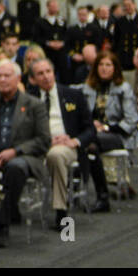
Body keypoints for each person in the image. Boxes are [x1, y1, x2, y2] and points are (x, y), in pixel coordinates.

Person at [0, 60, 49, 247]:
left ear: (18, 79)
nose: (2, 80)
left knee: (14, 167)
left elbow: (44, 140)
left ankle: (2, 226)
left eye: (7, 75)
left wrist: (15, 151)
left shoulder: (34, 105)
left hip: (25, 158)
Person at [29, 57, 95, 226]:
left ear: (54, 73)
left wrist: (75, 140)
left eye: (48, 72)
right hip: (38, 146)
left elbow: (90, 129)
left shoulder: (73, 95)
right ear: (33, 79)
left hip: (66, 146)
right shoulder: (28, 99)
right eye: (40, 74)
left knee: (56, 155)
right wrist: (45, 140)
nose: (45, 77)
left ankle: (61, 210)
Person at [81, 50, 138, 208]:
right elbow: (84, 113)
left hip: (117, 134)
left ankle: (91, 190)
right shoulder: (88, 87)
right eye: (101, 65)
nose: (104, 68)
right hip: (93, 134)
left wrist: (106, 127)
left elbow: (131, 120)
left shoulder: (123, 88)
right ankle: (101, 195)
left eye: (108, 65)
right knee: (89, 146)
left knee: (88, 142)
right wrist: (92, 124)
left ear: (115, 68)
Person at [34, 0, 69, 83]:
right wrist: (48, 43)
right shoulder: (40, 21)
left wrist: (62, 43)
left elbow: (67, 35)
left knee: (64, 74)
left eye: (56, 6)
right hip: (47, 52)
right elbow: (36, 38)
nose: (55, 8)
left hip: (61, 53)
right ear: (48, 7)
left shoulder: (62, 20)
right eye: (52, 6)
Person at [114, 0, 138, 70]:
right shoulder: (119, 22)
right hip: (124, 57)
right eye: (125, 6)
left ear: (134, 5)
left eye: (129, 5)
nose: (127, 7)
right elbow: (116, 39)